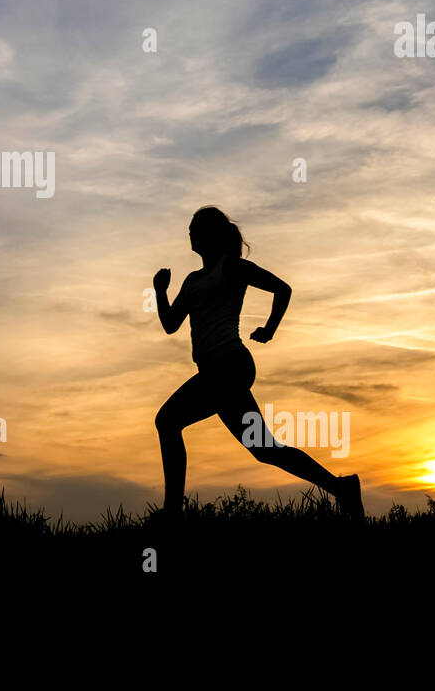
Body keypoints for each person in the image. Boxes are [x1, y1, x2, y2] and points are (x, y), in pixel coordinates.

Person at [152, 206, 363, 519]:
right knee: (264, 449)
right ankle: (342, 489)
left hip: (230, 365)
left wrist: (270, 328)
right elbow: (170, 324)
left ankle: (171, 513)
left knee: (167, 421)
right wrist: (160, 292)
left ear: (211, 235)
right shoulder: (193, 281)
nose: (190, 233)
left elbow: (282, 289)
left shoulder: (232, 267)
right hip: (214, 371)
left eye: (195, 228)